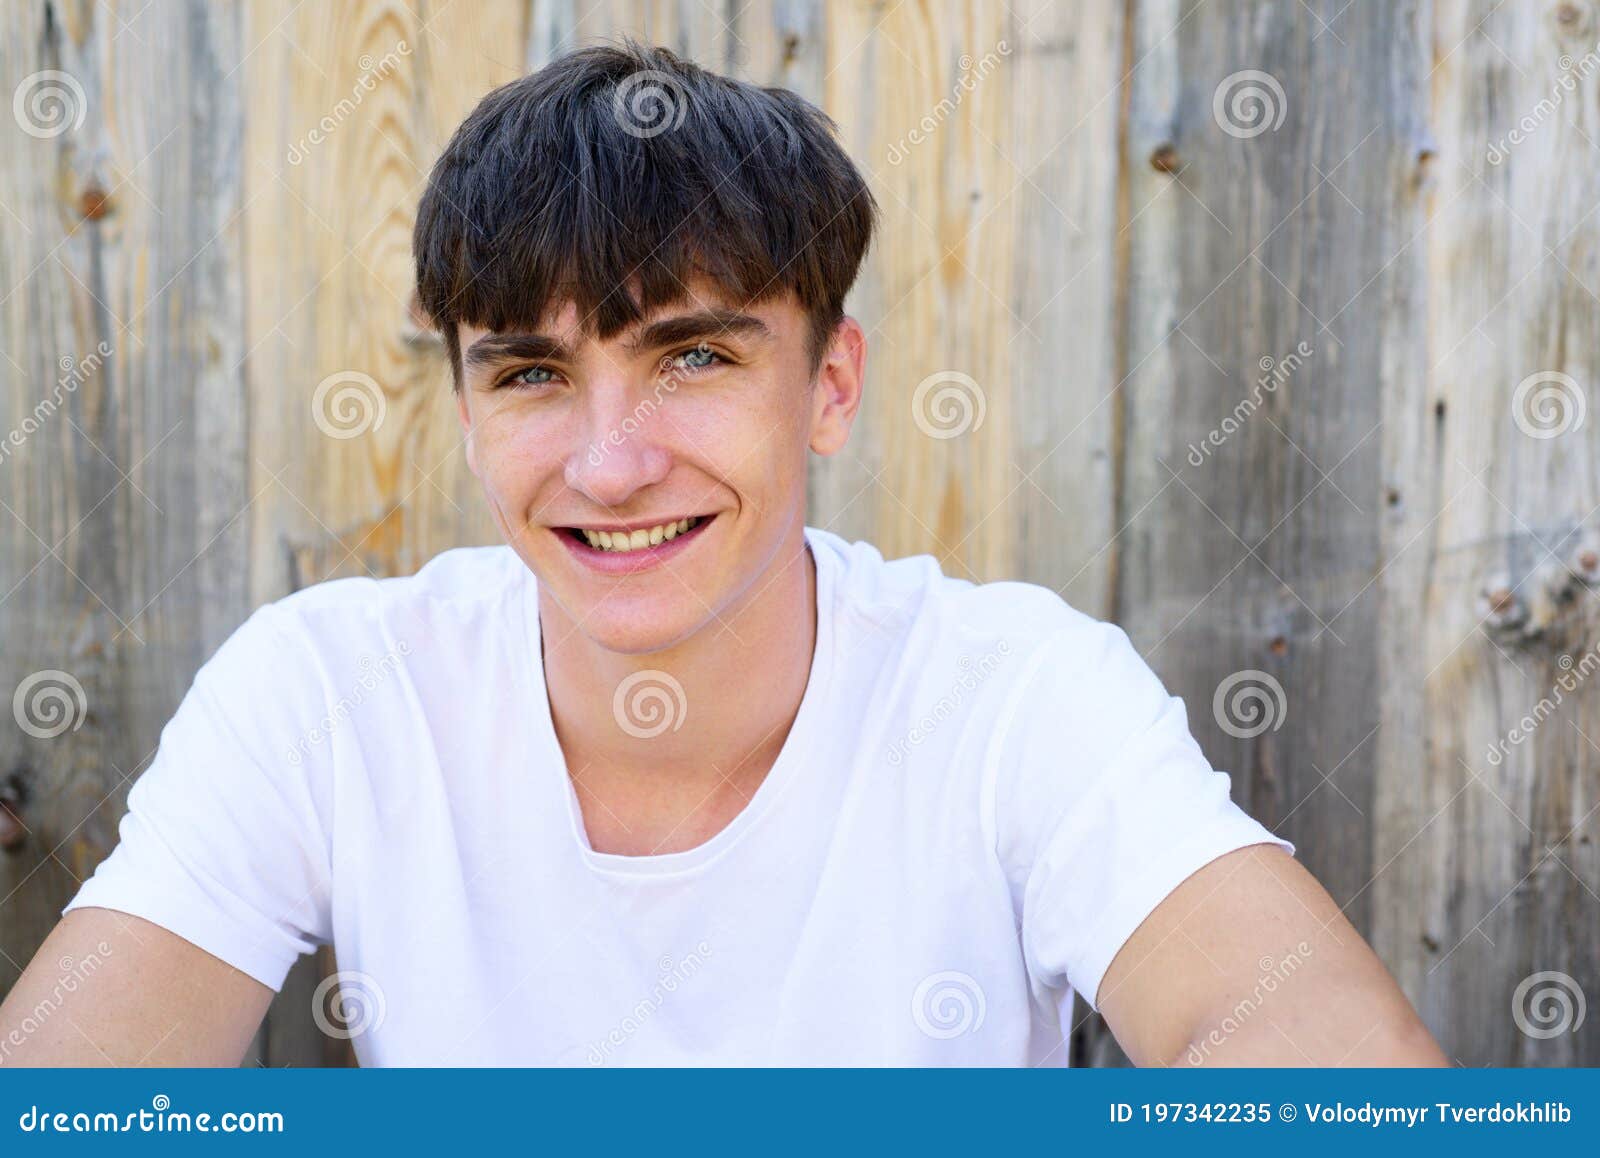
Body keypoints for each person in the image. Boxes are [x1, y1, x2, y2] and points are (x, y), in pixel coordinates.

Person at [0, 41, 1445, 1067]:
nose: (610, 461)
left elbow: (1331, 1063)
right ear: (461, 404)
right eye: (529, 374)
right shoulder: (325, 690)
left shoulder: (1019, 695)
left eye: (690, 356)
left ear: (830, 385)